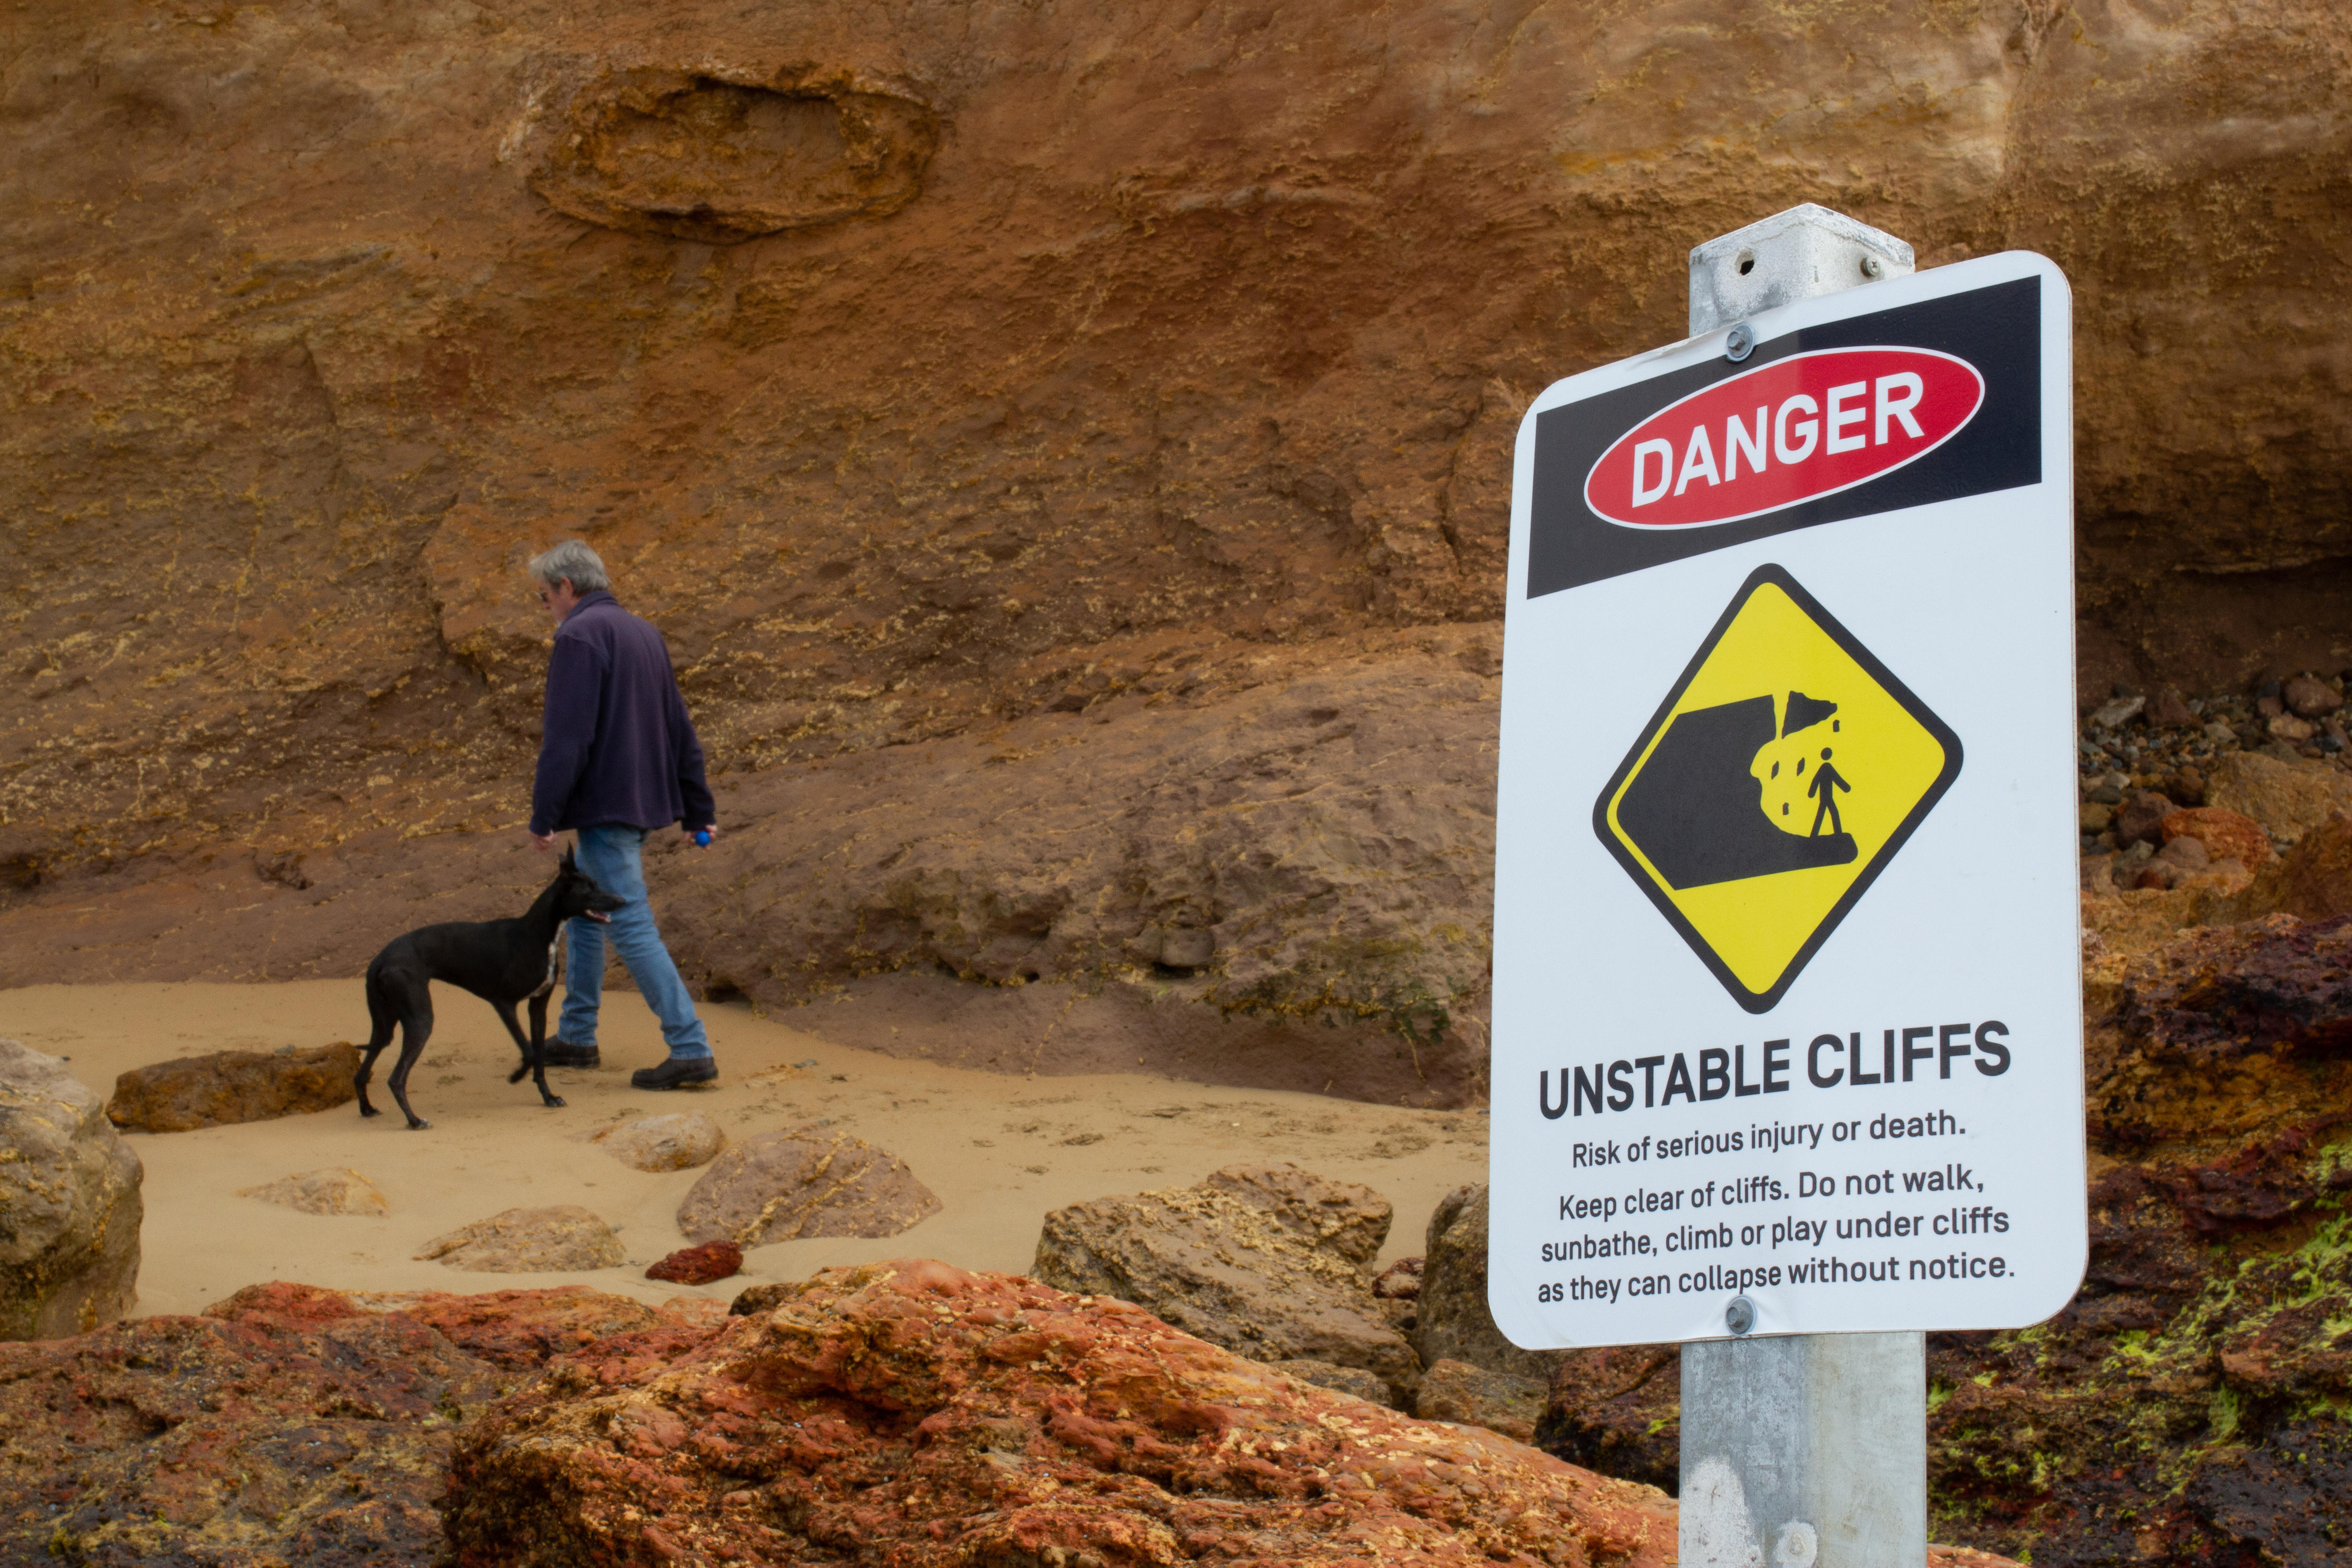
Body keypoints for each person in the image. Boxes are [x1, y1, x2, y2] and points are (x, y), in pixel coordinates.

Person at [524, 540, 720, 1089]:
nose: (547, 609)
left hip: (606, 806)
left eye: (544, 598)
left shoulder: (580, 636)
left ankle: (690, 1048)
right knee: (588, 918)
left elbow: (567, 739)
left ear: (567, 588)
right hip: (638, 802)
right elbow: (681, 729)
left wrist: (545, 813)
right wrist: (697, 811)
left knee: (630, 922)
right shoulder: (643, 633)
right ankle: (577, 1036)